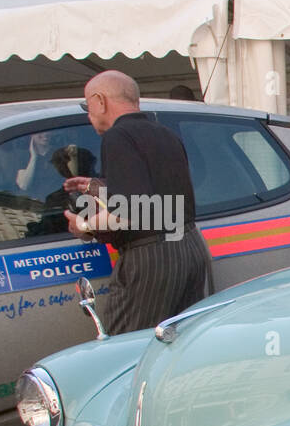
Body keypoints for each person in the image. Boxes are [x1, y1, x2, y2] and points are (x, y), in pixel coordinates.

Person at [61, 70, 212, 334]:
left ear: (100, 101)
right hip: (188, 246)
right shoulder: (164, 133)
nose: (89, 114)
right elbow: (155, 200)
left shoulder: (118, 137)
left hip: (150, 259)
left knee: (128, 346)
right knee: (180, 344)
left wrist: (84, 224)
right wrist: (95, 188)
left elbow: (129, 211)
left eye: (88, 106)